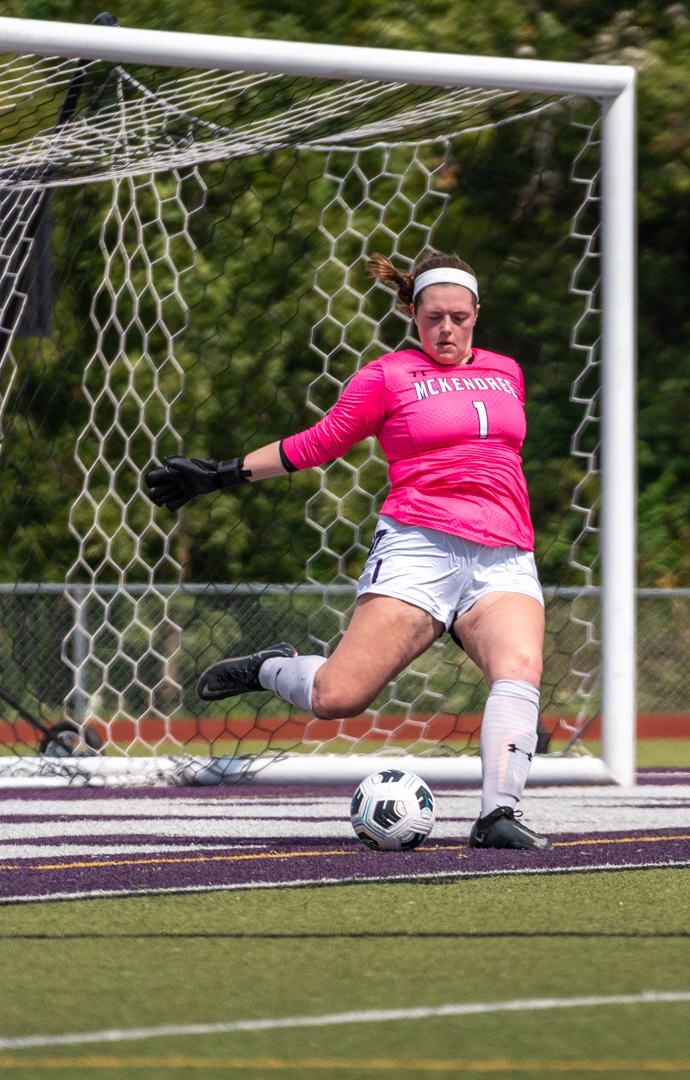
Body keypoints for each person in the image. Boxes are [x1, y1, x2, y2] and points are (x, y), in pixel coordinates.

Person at [142, 250, 553, 851]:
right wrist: (221, 473)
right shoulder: (386, 376)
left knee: (519, 671)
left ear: (476, 315)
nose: (446, 329)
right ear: (413, 312)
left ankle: (497, 817)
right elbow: (319, 443)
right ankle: (271, 666)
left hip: (505, 554)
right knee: (339, 697)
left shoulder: (508, 370)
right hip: (419, 547)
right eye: (434, 316)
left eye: (459, 318)